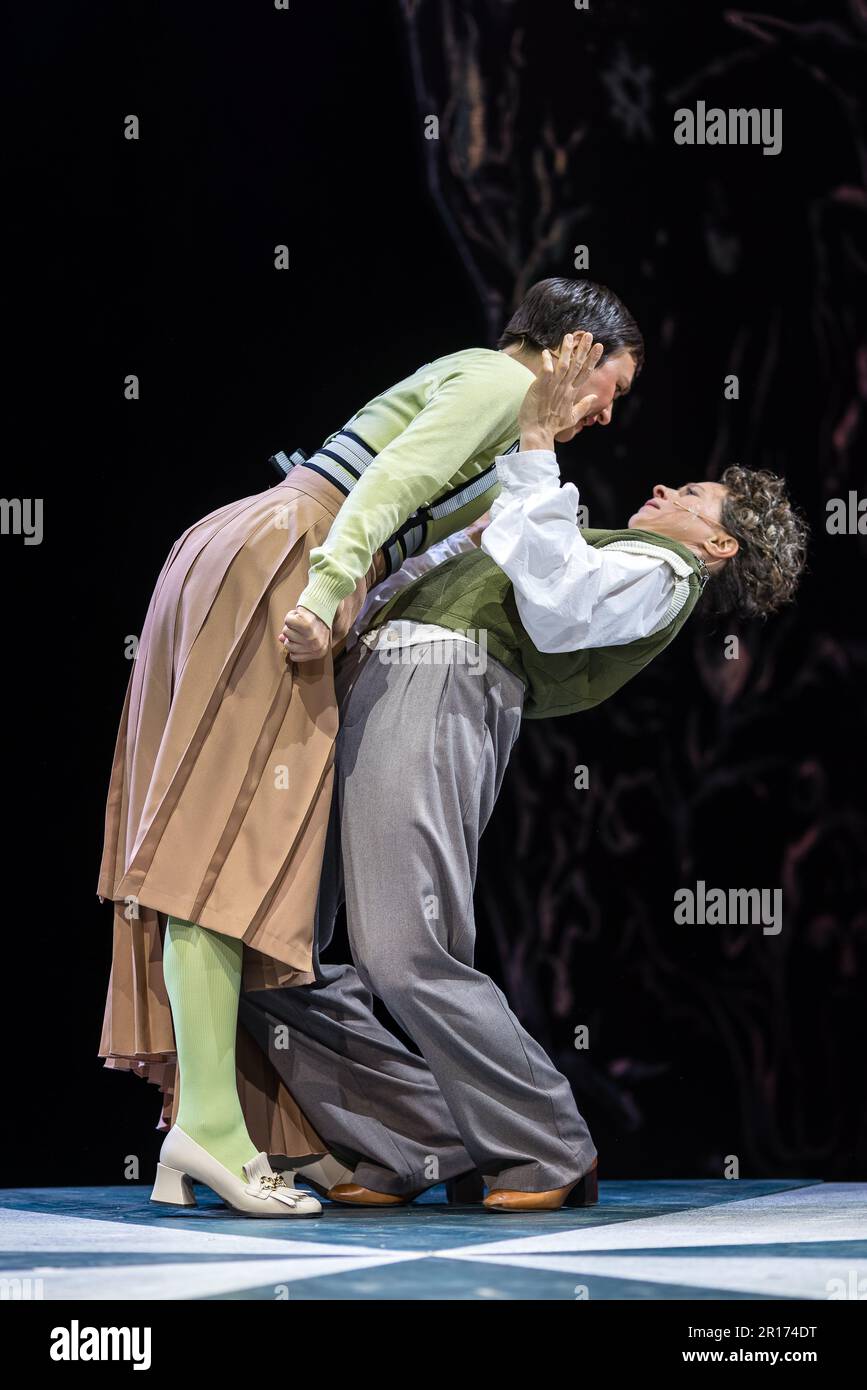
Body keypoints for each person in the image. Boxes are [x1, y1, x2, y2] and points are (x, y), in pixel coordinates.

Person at [97, 280, 644, 1216]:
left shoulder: (504, 422)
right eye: (611, 386)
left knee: (236, 851)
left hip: (285, 553)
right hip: (294, 556)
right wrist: (322, 594)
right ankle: (214, 1132)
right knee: (223, 844)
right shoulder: (492, 383)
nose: (605, 413)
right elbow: (386, 487)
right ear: (571, 351)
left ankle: (234, 1130)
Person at [240, 334, 809, 1212]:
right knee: (274, 954)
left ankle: (546, 1145)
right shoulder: (592, 540)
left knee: (406, 952)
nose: (662, 489)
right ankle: (416, 1142)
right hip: (382, 677)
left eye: (692, 496)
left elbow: (557, 597)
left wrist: (539, 446)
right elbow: (468, 563)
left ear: (720, 547)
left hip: (436, 687)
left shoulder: (659, 573)